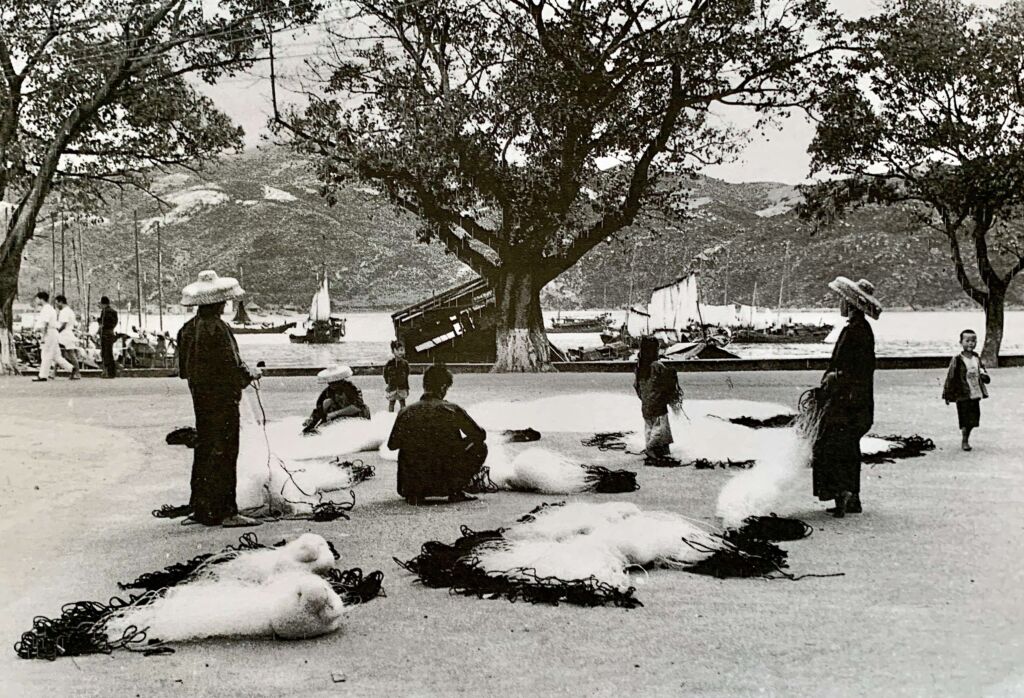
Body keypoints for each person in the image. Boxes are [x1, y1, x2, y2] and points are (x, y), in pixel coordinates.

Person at [176, 270, 261, 528]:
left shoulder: (186, 330)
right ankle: (226, 511)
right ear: (219, 303)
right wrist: (251, 374)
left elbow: (183, 371)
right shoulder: (220, 330)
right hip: (223, 400)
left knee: (204, 451)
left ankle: (201, 509)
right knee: (225, 452)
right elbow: (231, 367)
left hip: (200, 400)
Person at [811, 276, 880, 518]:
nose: (840, 304)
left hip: (849, 402)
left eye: (842, 300)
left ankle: (843, 494)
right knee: (848, 447)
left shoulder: (856, 331)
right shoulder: (859, 329)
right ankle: (851, 496)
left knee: (836, 446)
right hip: (855, 401)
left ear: (850, 304)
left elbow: (858, 369)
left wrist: (836, 376)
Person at [386, 364, 487, 505]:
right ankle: (456, 490)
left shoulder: (406, 411)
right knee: (480, 446)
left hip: (411, 487)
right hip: (445, 484)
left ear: (424, 385)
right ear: (443, 387)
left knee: (407, 447)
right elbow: (479, 435)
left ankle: (415, 493)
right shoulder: (453, 409)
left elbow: (392, 445)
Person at [633, 335, 683, 462]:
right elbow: (667, 381)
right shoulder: (657, 366)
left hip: (646, 404)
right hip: (657, 404)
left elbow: (636, 386)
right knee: (660, 428)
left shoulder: (639, 368)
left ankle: (661, 449)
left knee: (649, 427)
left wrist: (644, 397)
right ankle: (651, 448)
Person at [942, 329, 991, 452]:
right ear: (961, 342)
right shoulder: (957, 360)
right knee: (964, 417)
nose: (970, 343)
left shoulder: (976, 358)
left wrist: (985, 376)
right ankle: (965, 440)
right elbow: (951, 377)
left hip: (975, 392)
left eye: (973, 341)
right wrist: (947, 395)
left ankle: (967, 434)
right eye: (967, 340)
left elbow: (983, 372)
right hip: (962, 393)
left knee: (974, 418)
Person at [303, 365, 371, 433]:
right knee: (312, 430)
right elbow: (320, 409)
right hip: (337, 416)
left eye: (335, 382)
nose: (333, 384)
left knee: (327, 427)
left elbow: (357, 407)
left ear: (341, 380)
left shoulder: (352, 388)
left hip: (357, 416)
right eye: (330, 382)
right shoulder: (327, 392)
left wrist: (335, 414)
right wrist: (311, 420)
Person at [31, 291, 73, 381]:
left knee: (46, 354)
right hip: (53, 333)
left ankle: (43, 375)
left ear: (40, 299)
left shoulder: (46, 309)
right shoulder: (49, 308)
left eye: (37, 299)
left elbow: (45, 323)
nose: (36, 301)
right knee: (55, 355)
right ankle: (70, 368)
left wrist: (43, 336)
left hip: (49, 332)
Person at [53, 295, 82, 380]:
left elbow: (63, 324)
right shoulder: (70, 311)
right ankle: (74, 372)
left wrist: (57, 332)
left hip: (64, 335)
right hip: (68, 334)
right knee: (64, 354)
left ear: (61, 302)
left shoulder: (64, 312)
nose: (57, 305)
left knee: (62, 354)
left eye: (57, 303)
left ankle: (76, 372)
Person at [383, 340, 410, 412]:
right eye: (398, 350)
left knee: (402, 402)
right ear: (393, 351)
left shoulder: (405, 363)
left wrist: (406, 387)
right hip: (392, 387)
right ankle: (390, 416)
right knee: (392, 403)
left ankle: (403, 416)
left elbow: (407, 374)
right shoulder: (389, 363)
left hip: (402, 386)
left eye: (402, 350)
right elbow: (385, 373)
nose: (400, 352)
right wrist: (388, 382)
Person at [98, 296, 119, 378]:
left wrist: (99, 322)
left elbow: (102, 323)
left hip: (105, 333)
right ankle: (112, 372)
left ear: (103, 303)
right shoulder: (114, 312)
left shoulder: (104, 311)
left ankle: (107, 372)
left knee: (105, 353)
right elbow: (114, 322)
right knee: (109, 353)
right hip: (111, 332)